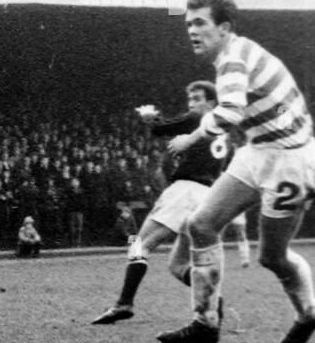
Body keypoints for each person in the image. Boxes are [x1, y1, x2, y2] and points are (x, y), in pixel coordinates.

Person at [158, 0, 315, 343]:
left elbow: (231, 112)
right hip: (259, 151)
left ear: (224, 28)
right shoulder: (234, 54)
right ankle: (205, 322)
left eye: (200, 23)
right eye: (188, 23)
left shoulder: (234, 58)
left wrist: (192, 137)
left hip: (291, 162)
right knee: (201, 224)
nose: (191, 30)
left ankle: (310, 312)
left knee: (272, 256)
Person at [93, 83, 224, 325]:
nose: (192, 104)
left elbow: (161, 129)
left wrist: (150, 118)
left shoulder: (199, 117)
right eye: (190, 99)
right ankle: (214, 301)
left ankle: (124, 303)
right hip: (206, 196)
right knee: (178, 265)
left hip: (185, 191)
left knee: (139, 246)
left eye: (197, 98)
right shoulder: (221, 130)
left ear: (213, 103)